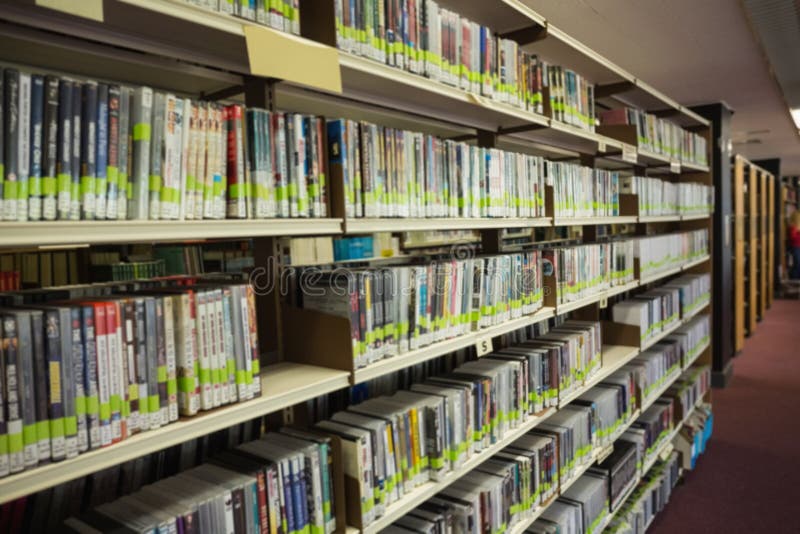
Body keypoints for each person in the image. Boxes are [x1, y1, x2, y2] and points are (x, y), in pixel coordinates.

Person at [788, 210, 800, 279]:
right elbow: (793, 237)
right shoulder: (793, 227)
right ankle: (794, 277)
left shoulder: (796, 227)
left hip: (798, 246)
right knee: (797, 263)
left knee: (798, 263)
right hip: (796, 247)